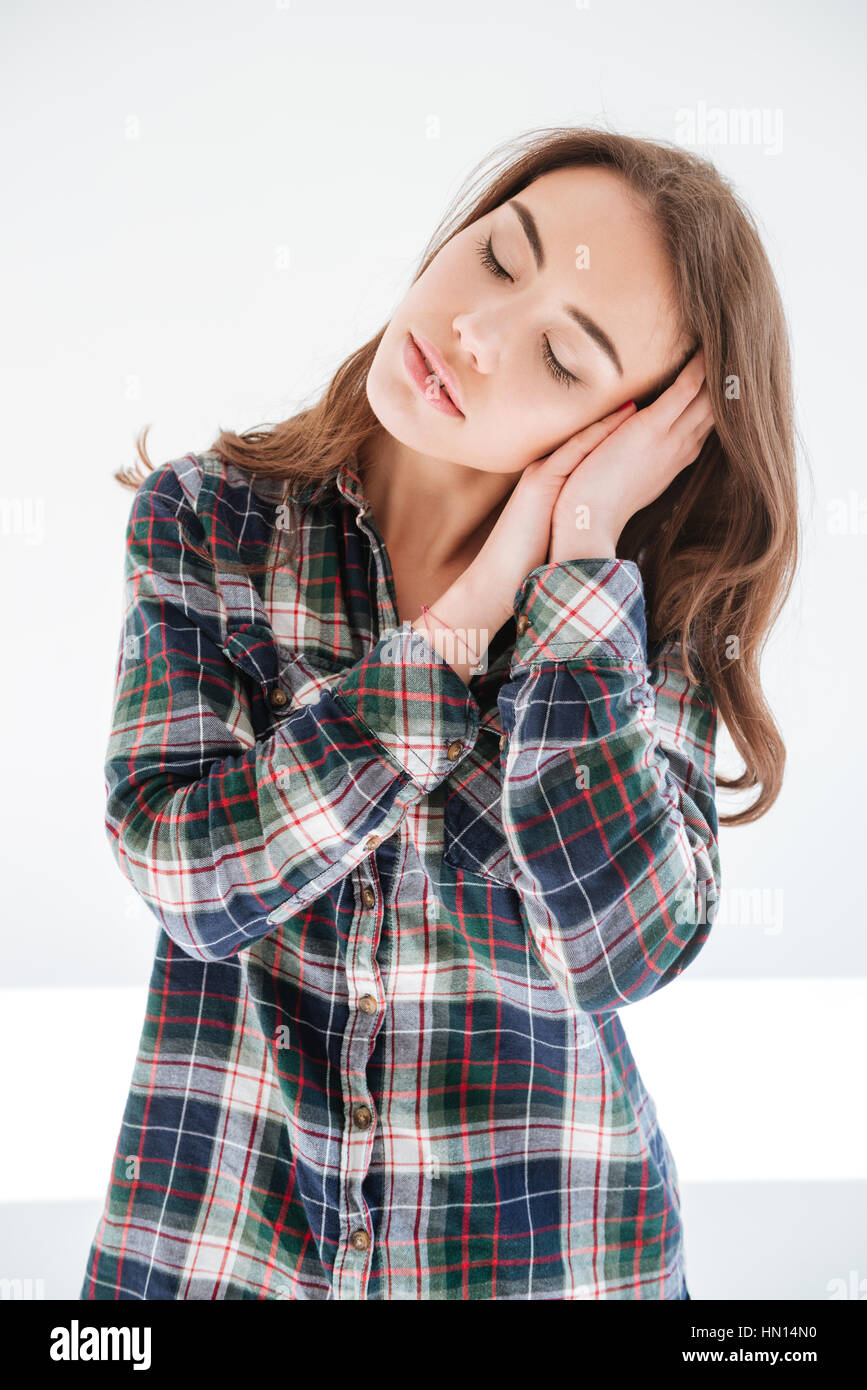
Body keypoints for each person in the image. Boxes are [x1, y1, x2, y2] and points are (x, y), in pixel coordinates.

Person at [80, 126, 798, 1300]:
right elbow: (190, 874)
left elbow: (630, 945)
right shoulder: (207, 522)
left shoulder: (637, 621)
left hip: (557, 1263)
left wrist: (570, 570)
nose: (472, 333)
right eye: (499, 258)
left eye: (564, 360)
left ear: (630, 436)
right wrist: (467, 617)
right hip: (218, 1255)